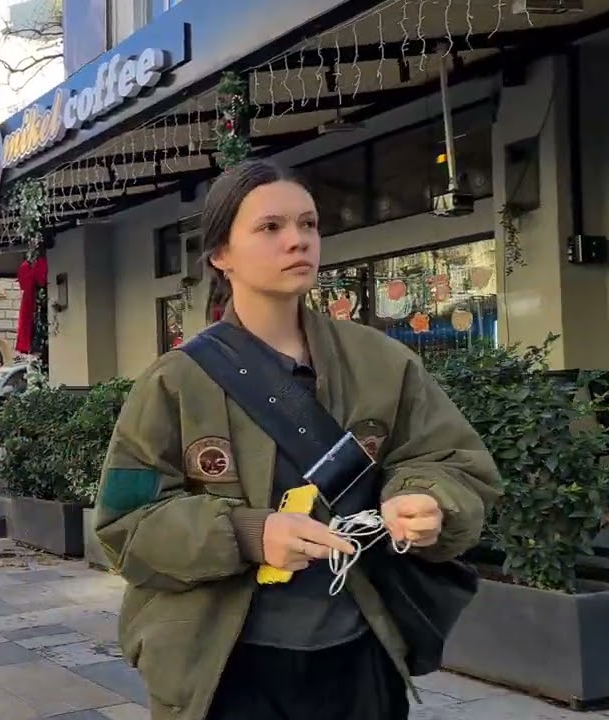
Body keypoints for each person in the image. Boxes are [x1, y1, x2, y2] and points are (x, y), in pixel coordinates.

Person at [92, 159, 502, 720]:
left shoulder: (382, 362)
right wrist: (249, 534)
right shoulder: (174, 381)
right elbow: (124, 525)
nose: (298, 241)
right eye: (270, 228)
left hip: (360, 656)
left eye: (308, 225)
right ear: (220, 255)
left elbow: (451, 461)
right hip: (223, 670)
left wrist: (426, 497)